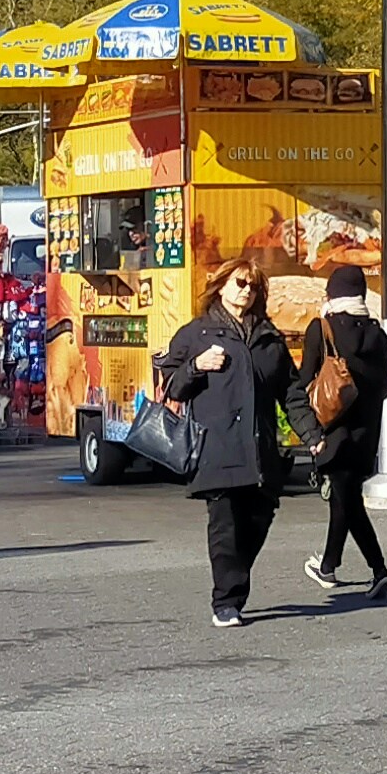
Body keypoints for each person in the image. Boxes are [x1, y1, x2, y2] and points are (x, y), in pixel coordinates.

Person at [159, 259, 295, 628]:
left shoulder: (269, 338)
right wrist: (195, 366)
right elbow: (170, 385)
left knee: (258, 518)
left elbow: (292, 392)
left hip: (259, 449)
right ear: (221, 286)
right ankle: (226, 601)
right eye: (239, 283)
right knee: (225, 526)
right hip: (216, 446)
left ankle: (233, 581)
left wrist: (313, 437)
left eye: (252, 287)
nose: (245, 291)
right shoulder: (196, 334)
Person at [292, 262, 387, 600]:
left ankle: (379, 569)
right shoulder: (377, 334)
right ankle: (328, 566)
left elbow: (306, 381)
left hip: (332, 431)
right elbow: (386, 387)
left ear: (332, 295)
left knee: (347, 501)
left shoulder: (321, 330)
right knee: (345, 496)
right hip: (367, 431)